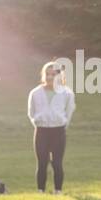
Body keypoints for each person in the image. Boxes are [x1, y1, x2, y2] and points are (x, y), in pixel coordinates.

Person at [27, 61, 75, 193]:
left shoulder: (67, 93)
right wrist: (38, 123)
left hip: (58, 131)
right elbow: (31, 112)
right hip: (41, 131)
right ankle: (40, 190)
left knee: (57, 163)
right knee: (42, 163)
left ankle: (58, 190)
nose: (49, 77)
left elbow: (69, 112)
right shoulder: (35, 93)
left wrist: (61, 125)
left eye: (53, 74)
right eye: (47, 74)